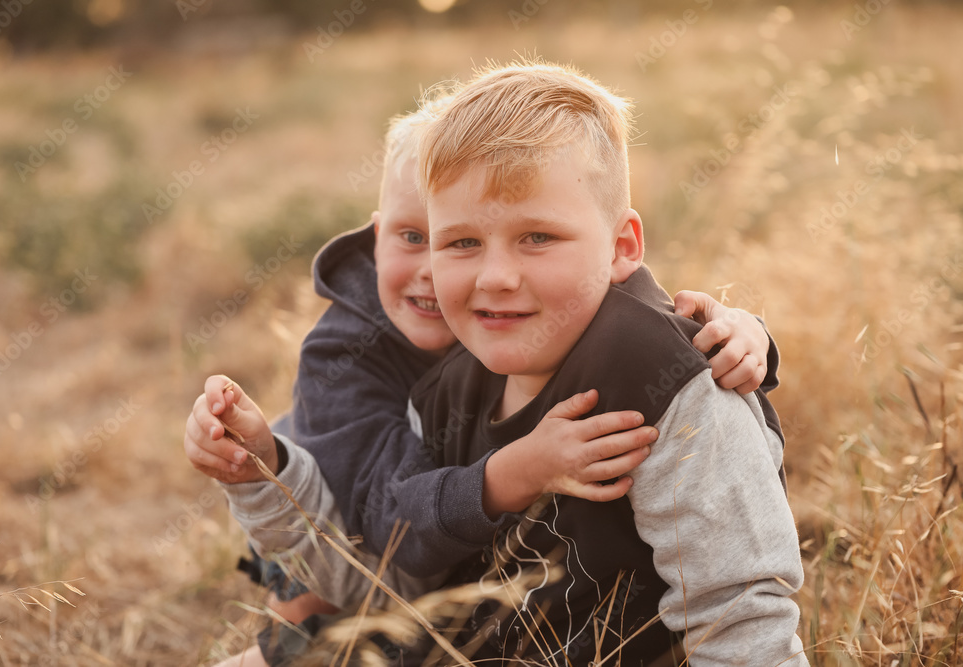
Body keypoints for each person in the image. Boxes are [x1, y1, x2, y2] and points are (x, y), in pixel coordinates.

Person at [183, 97, 780, 667]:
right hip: (341, 512)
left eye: (535, 237)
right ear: (374, 234)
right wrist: (263, 469)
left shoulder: (549, 332)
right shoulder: (350, 355)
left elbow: (618, 294)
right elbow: (380, 546)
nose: (488, 276)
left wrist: (740, 333)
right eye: (449, 241)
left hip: (450, 555)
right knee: (311, 614)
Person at [399, 60, 809, 665]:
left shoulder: (665, 377)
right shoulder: (446, 384)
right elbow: (393, 544)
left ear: (622, 248)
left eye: (538, 237)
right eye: (462, 242)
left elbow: (740, 610)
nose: (496, 277)